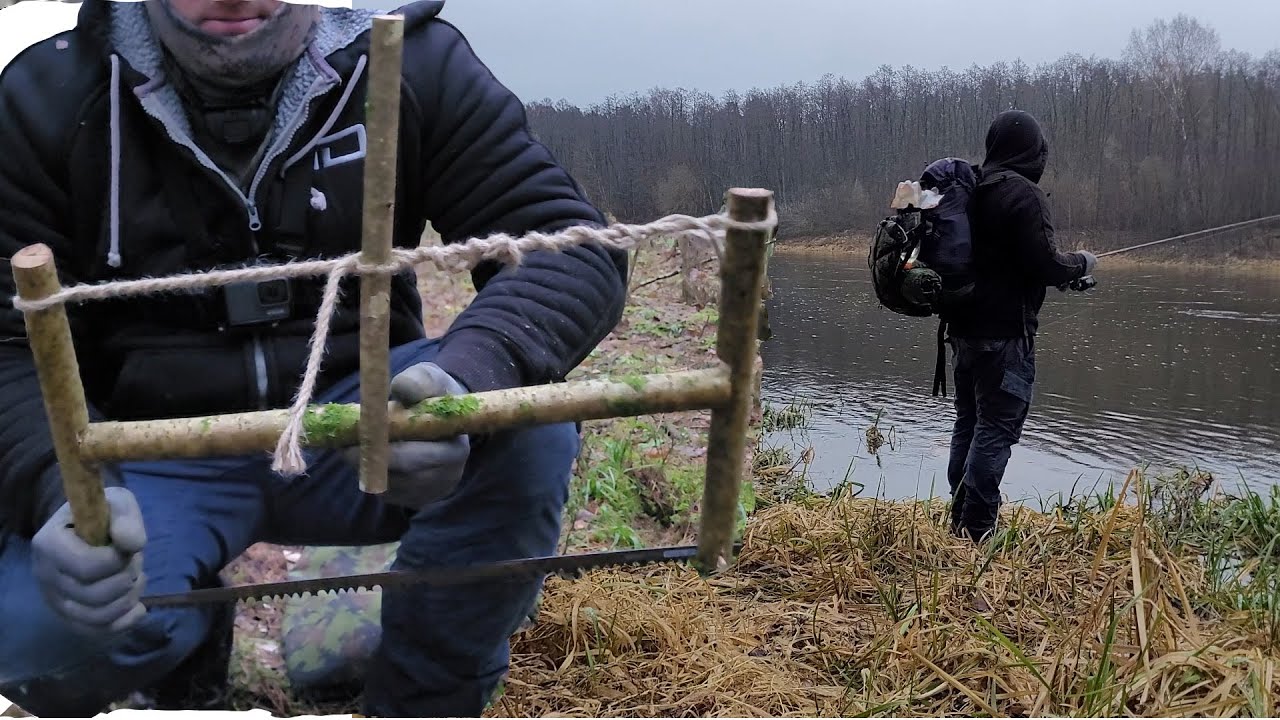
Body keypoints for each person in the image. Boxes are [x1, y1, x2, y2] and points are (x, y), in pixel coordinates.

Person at [0, 0, 628, 715]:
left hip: (360, 426)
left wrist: (467, 380)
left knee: (526, 422)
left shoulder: (411, 64)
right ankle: (182, 643)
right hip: (144, 457)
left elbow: (569, 247)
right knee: (32, 635)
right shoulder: (45, 95)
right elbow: (2, 337)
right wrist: (56, 484)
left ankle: (421, 697)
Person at [942, 109, 1097, 542]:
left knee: (969, 423)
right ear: (1031, 151)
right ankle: (976, 532)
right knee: (995, 429)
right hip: (1006, 337)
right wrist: (1081, 262)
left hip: (964, 334)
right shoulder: (1023, 194)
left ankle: (958, 523)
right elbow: (1046, 262)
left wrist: (1057, 276)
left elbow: (1012, 264)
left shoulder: (972, 189)